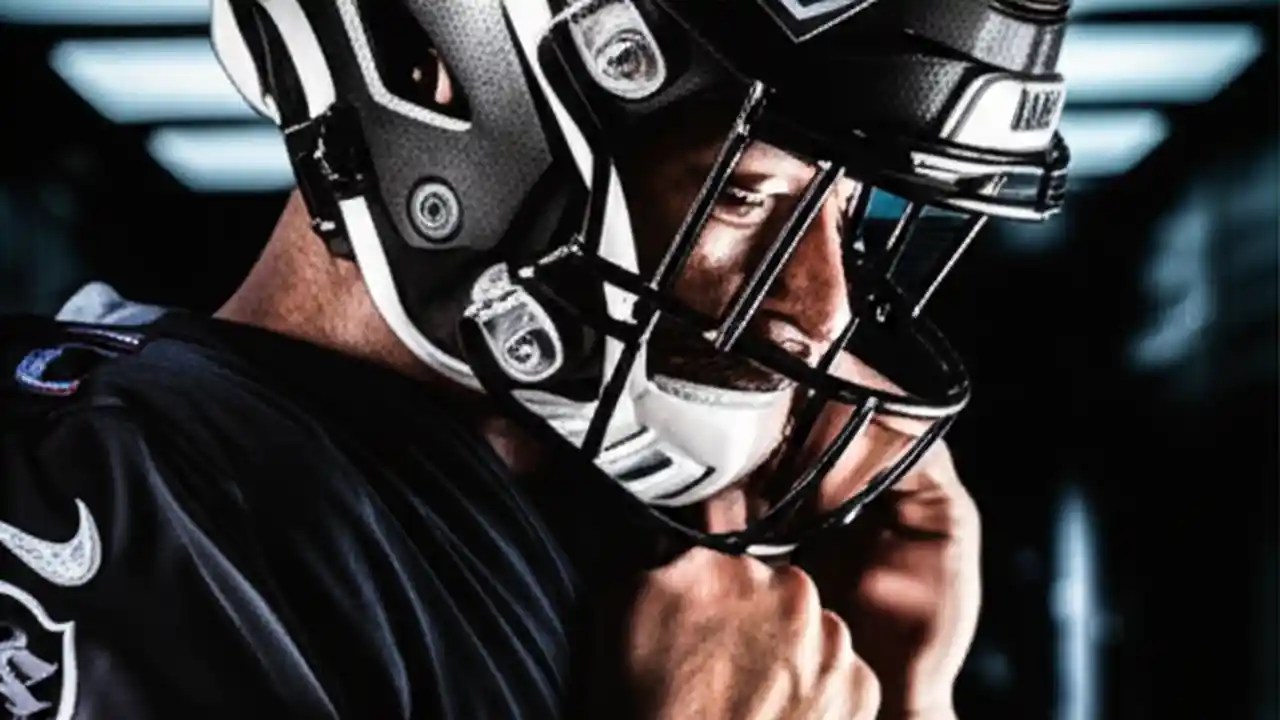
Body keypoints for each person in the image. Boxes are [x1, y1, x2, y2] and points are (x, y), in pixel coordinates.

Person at [0, 0, 1071, 718]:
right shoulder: (96, 515)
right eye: (746, 197)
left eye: (841, 216)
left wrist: (892, 697)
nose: (820, 313)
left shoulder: (644, 545)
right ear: (438, 73)